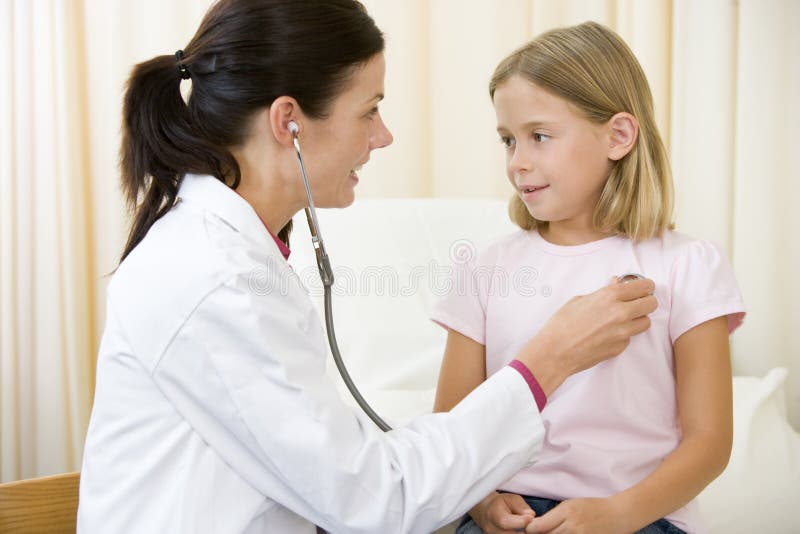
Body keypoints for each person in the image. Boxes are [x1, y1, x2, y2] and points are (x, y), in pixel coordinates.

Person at [76, 3, 658, 533]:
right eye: (370, 111)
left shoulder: (233, 257)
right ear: (289, 123)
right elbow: (375, 500)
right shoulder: (209, 279)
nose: (383, 136)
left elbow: (347, 467)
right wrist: (547, 363)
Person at [432, 21, 746, 534]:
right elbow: (450, 426)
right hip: (513, 515)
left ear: (618, 136)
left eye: (539, 136)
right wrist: (484, 500)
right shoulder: (484, 268)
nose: (518, 162)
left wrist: (618, 514)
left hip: (640, 515)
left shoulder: (687, 264)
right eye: (508, 140)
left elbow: (709, 444)